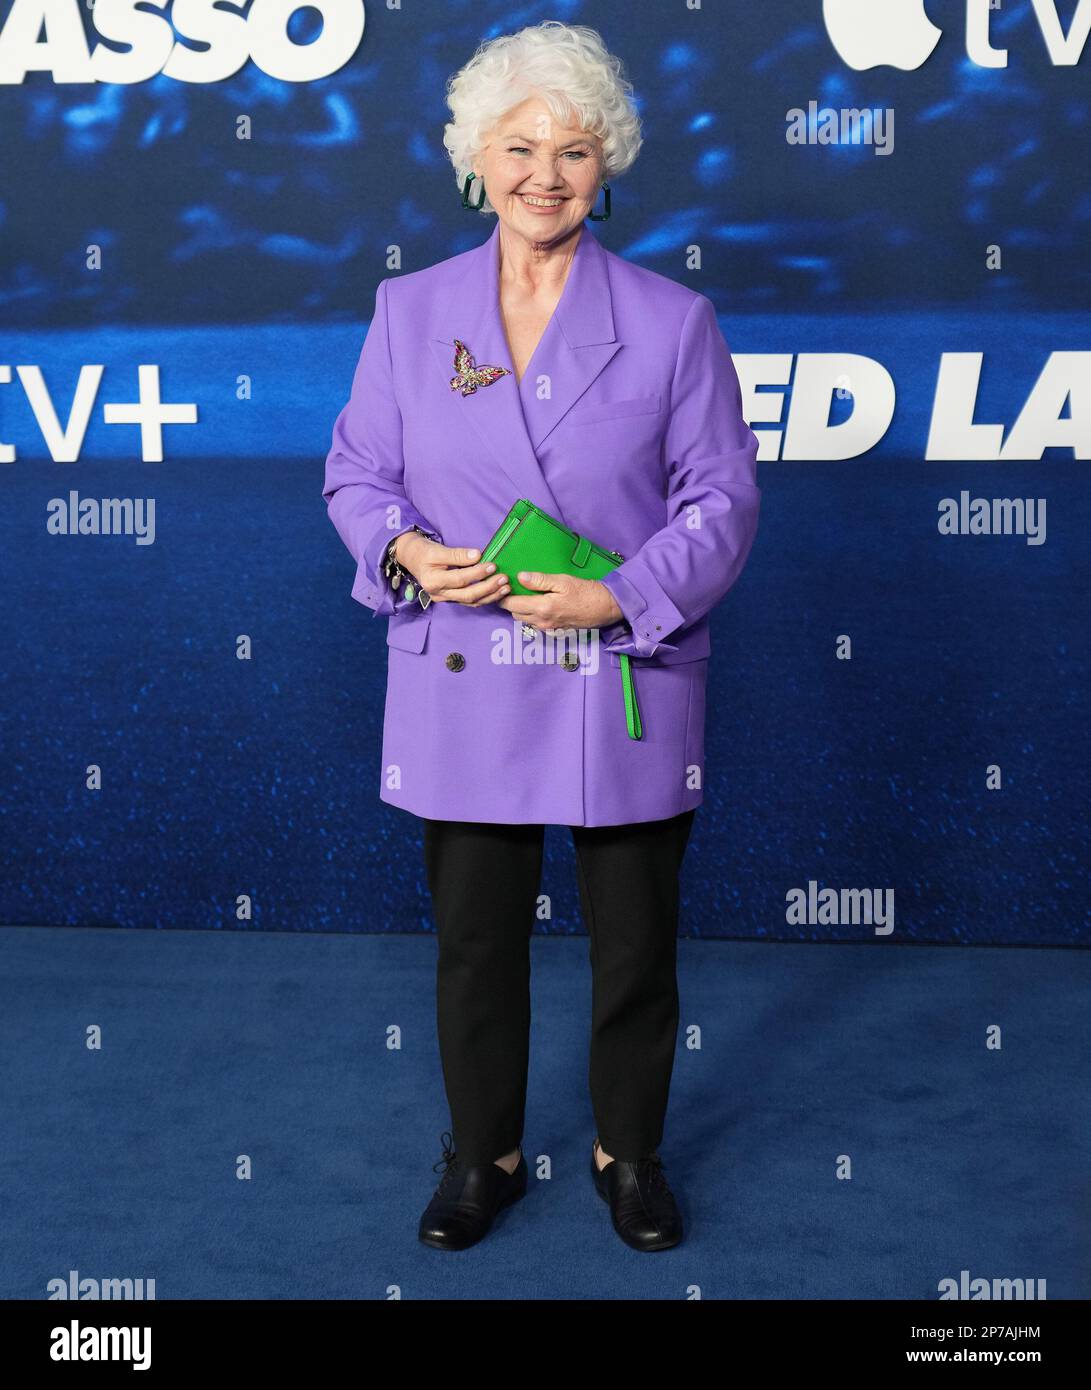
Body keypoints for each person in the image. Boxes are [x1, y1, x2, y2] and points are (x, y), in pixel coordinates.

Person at [322, 20, 761, 1253]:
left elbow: (720, 501)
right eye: (519, 147)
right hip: (467, 668)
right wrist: (402, 550)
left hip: (620, 664)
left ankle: (629, 1154)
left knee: (634, 941)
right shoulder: (409, 311)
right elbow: (355, 472)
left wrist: (619, 595)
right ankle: (484, 1156)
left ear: (605, 161)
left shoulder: (673, 321)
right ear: (476, 157)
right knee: (474, 941)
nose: (545, 174)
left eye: (573, 150)